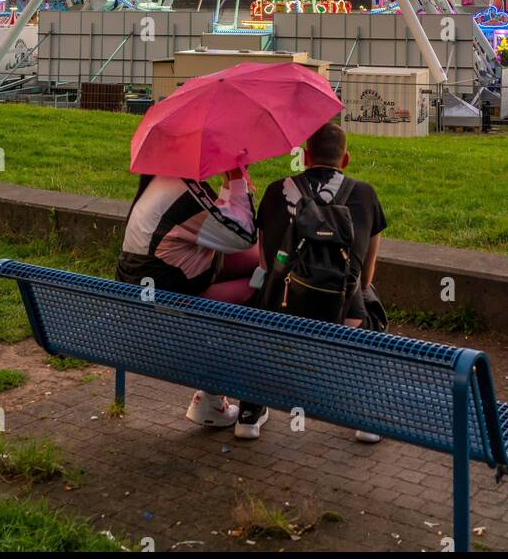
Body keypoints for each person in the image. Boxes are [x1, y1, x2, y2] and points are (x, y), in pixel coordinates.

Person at [235, 119, 387, 442]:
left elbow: (265, 264)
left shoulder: (276, 191)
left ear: (304, 157)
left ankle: (249, 413)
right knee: (369, 300)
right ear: (345, 160)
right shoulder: (365, 194)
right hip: (343, 318)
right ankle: (367, 416)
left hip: (280, 315)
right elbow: (365, 278)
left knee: (262, 293)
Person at [115, 166, 258, 429]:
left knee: (259, 261)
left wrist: (230, 183)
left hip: (146, 303)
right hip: (172, 310)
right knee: (258, 285)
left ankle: (218, 397)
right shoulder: (183, 194)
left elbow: (219, 221)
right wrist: (237, 178)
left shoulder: (162, 181)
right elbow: (244, 235)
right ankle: (231, 397)